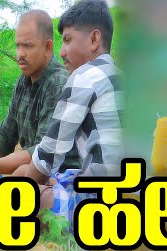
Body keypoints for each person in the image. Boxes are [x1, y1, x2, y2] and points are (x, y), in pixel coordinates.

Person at [15, 0, 123, 221]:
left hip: (104, 203)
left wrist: (27, 187)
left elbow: (50, 152)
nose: (61, 52)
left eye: (67, 40)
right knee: (38, 175)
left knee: (26, 193)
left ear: (94, 39)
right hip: (137, 190)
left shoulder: (83, 77)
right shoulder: (120, 76)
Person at [0, 9, 73, 177]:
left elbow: (42, 153)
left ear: (48, 47)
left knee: (19, 173)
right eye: (18, 45)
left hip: (57, 174)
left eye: (28, 46)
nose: (20, 54)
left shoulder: (58, 83)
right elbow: (5, 136)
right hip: (32, 169)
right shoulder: (23, 81)